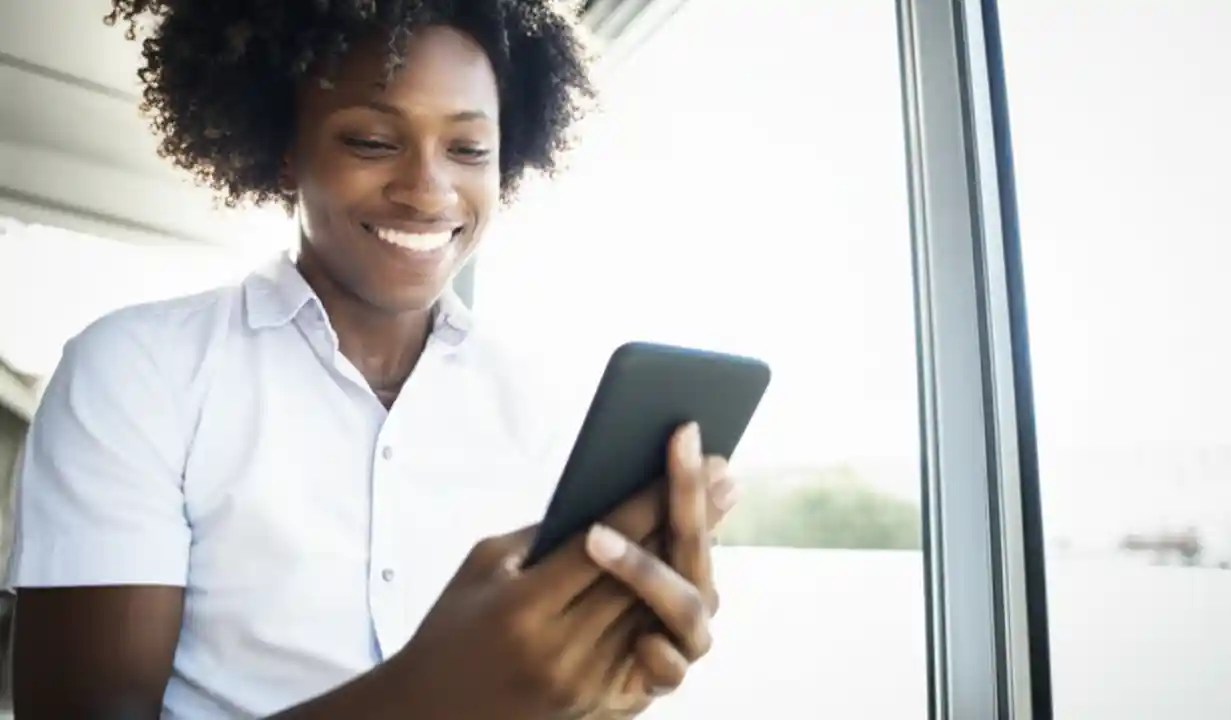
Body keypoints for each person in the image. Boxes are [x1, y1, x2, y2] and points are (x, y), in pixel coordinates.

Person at [5, 1, 740, 717]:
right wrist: (434, 694)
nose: (427, 190)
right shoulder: (137, 372)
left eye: (468, 149)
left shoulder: (547, 407)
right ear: (286, 155)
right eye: (371, 142)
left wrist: (597, 685)